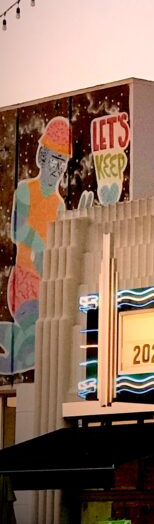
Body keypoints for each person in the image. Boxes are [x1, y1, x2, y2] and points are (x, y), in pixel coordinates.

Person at [0, 117, 71, 375]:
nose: (57, 168)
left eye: (62, 162)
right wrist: (42, 247)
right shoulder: (24, 190)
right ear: (41, 156)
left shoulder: (59, 204)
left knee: (40, 342)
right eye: (53, 159)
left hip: (44, 289)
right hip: (24, 282)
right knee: (35, 348)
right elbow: (19, 230)